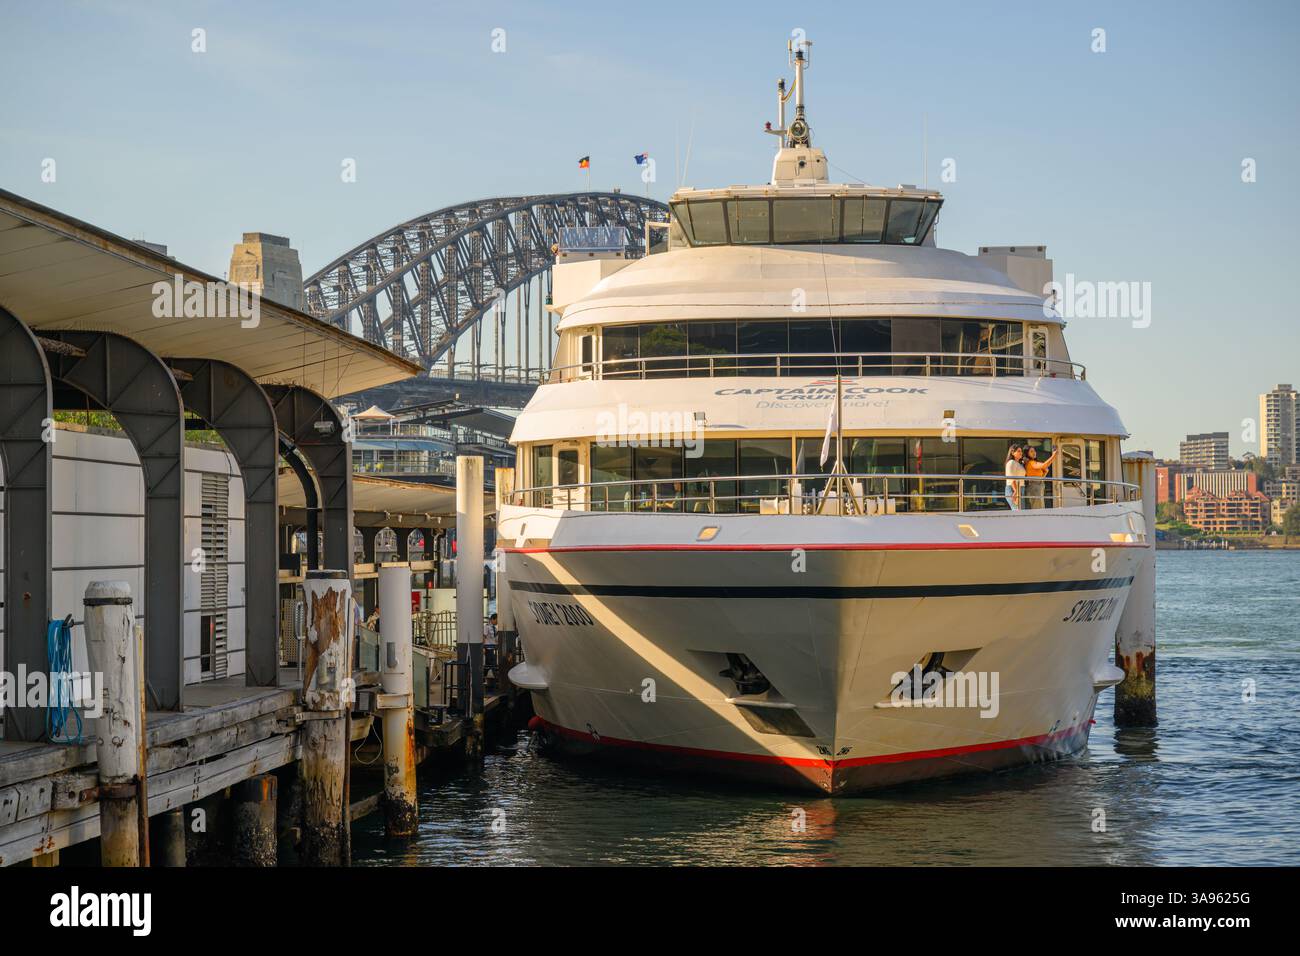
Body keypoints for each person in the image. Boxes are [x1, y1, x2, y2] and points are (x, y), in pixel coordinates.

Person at [1023, 445, 1058, 509]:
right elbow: (1044, 465)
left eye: (1034, 451)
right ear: (1027, 454)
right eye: (1031, 451)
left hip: (1038, 485)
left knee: (1040, 507)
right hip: (1034, 487)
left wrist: (1045, 472)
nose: (1034, 453)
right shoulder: (1031, 463)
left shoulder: (1034, 462)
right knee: (1037, 508)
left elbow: (1044, 469)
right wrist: (1053, 455)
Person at [1004, 444, 1026, 510]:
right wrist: (1016, 491)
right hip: (1013, 489)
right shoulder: (1011, 462)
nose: (1021, 453)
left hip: (1020, 488)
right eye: (1019, 451)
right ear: (1013, 452)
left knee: (1021, 511)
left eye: (1021, 451)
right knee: (1018, 511)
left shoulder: (1018, 463)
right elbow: (1011, 478)